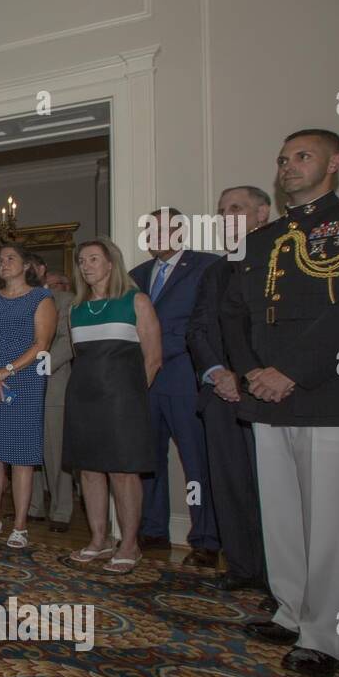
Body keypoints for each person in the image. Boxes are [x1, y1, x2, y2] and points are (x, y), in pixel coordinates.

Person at [222, 128, 339, 677]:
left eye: (303, 156)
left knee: (329, 519)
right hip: (267, 393)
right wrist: (252, 371)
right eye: (283, 158)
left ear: (335, 162)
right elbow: (236, 315)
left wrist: (291, 371)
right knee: (284, 513)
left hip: (333, 390)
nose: (289, 165)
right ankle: (292, 609)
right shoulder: (261, 239)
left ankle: (329, 634)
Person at [186, 186, 273, 593]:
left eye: (235, 209)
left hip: (268, 394)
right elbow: (198, 328)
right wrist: (218, 372)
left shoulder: (280, 262)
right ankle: (241, 569)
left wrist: (245, 375)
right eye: (220, 211)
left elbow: (275, 331)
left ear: (262, 214)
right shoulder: (216, 272)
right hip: (219, 393)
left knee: (272, 491)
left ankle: (280, 581)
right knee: (229, 483)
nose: (225, 217)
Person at [63, 239, 162, 573]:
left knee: (123, 473)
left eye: (93, 258)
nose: (86, 265)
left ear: (110, 263)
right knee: (89, 471)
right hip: (83, 400)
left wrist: (131, 397)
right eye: (81, 260)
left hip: (123, 403)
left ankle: (130, 545)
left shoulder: (136, 300)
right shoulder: (76, 309)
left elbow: (153, 359)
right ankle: (99, 539)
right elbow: (80, 359)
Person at [129, 208, 222, 566]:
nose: (154, 236)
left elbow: (207, 323)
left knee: (196, 461)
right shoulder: (137, 275)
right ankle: (153, 529)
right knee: (148, 459)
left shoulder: (206, 266)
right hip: (144, 383)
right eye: (148, 230)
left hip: (185, 378)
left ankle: (205, 537)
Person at [0, 243, 56, 549]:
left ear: (26, 266)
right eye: (0, 260)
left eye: (11, 259)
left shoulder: (41, 298)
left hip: (25, 380)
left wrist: (5, 371)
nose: (3, 264)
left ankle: (20, 525)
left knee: (21, 456)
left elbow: (41, 343)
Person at [30, 266, 75, 532]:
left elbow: (68, 341)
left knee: (56, 452)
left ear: (41, 271)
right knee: (28, 450)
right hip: (23, 385)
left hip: (53, 384)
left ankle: (61, 510)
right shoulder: (21, 300)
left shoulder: (66, 301)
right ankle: (34, 507)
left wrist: (37, 367)